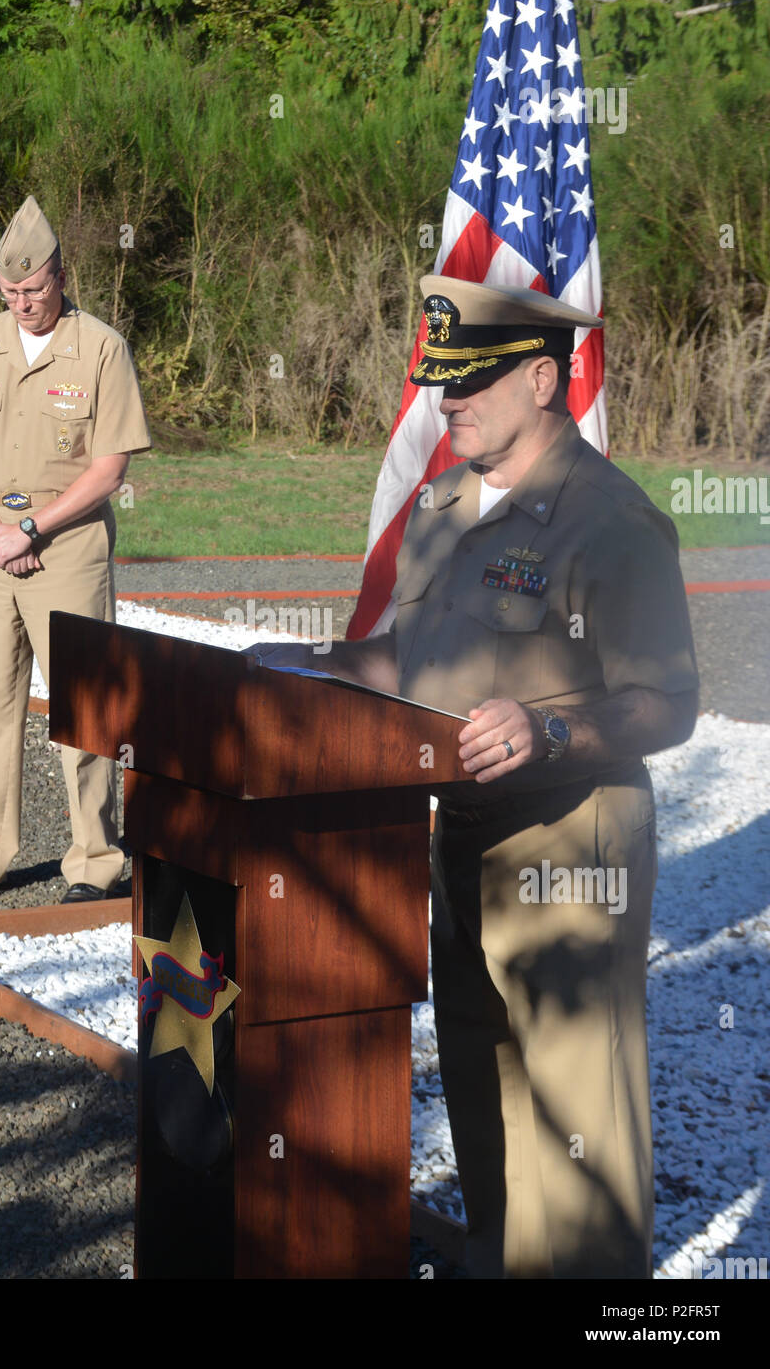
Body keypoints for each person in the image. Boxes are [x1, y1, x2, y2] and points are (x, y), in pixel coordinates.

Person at [254, 275, 699, 1278]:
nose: (446, 404)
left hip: (570, 841)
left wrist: (547, 732)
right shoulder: (444, 505)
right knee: (486, 1096)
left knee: (578, 1130)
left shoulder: (610, 521)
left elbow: (665, 702)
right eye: (440, 384)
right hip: (461, 836)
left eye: (470, 385)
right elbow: (412, 661)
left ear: (542, 380)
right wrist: (313, 665)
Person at [0, 195, 151, 907]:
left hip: (68, 552)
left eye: (33, 289)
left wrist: (31, 530)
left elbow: (109, 467)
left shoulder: (101, 348)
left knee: (84, 714)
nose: (22, 303)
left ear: (60, 276)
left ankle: (95, 863)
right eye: (10, 291)